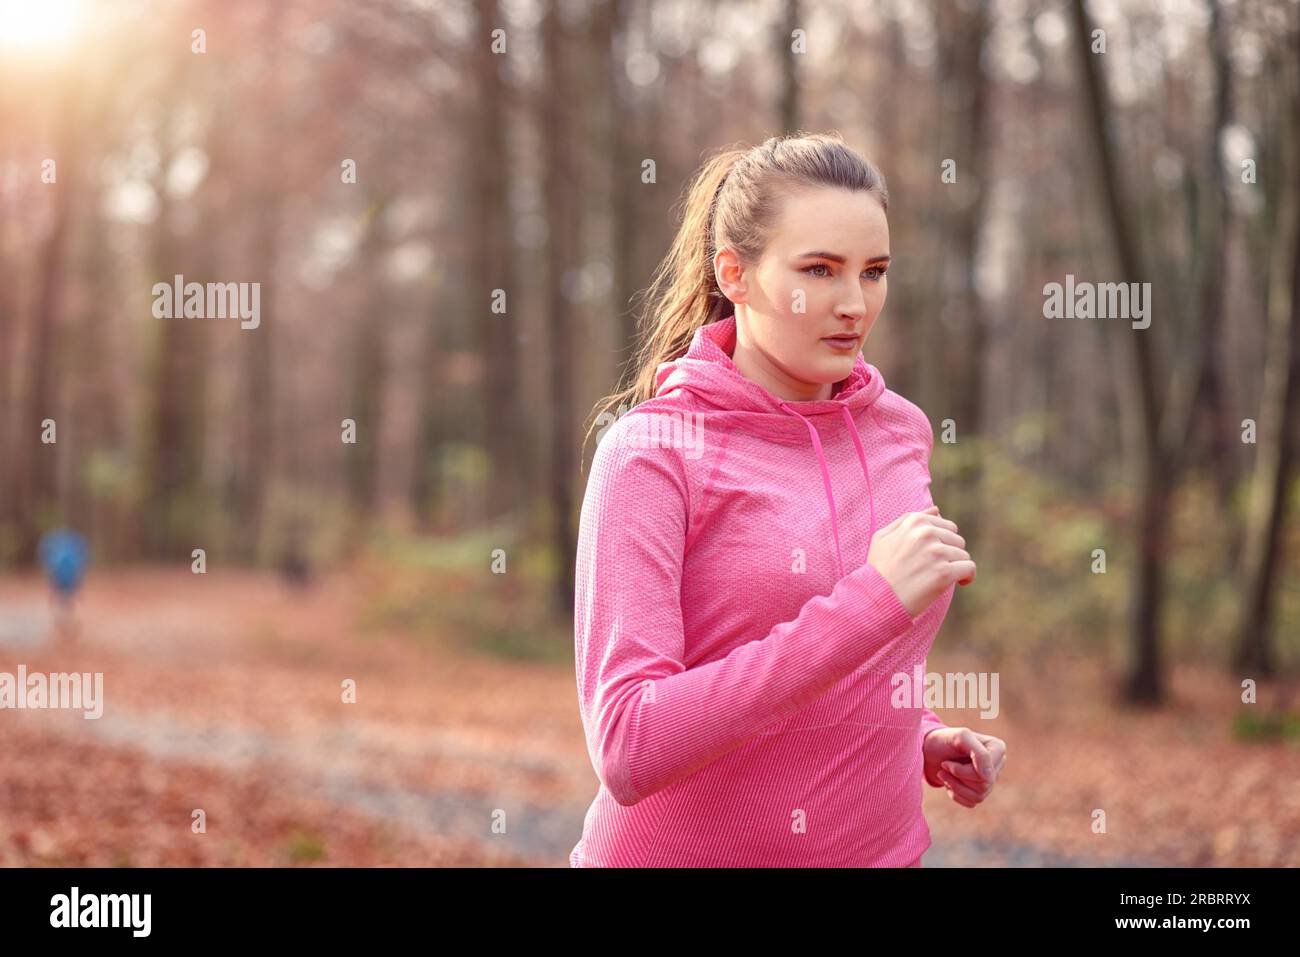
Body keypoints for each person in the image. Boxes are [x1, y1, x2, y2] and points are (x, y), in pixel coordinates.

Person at [570, 132, 1007, 867]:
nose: (852, 304)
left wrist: (921, 732)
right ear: (735, 275)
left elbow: (859, 663)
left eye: (873, 271)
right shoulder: (652, 453)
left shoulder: (899, 431)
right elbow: (629, 743)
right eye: (819, 270)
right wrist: (872, 602)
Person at [38, 527, 89, 643]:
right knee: (70, 605)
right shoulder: (72, 554)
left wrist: (52, 589)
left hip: (62, 584)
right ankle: (70, 627)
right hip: (70, 583)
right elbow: (78, 571)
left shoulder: (56, 555)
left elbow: (52, 573)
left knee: (61, 605)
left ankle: (64, 628)